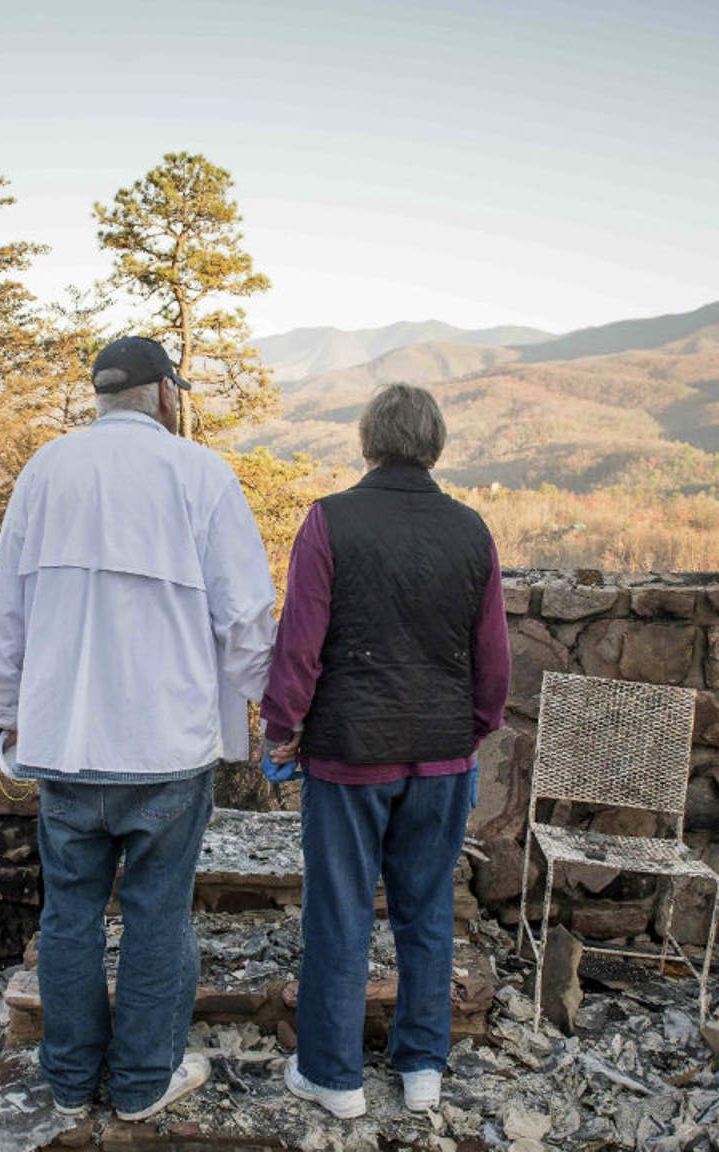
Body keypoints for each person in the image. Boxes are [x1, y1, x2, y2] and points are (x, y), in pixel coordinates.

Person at [0, 335, 277, 1122]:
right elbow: (246, 617)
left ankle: (71, 1082)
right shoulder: (200, 474)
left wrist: (1, 710)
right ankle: (143, 1082)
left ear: (103, 397)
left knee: (69, 915)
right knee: (157, 915)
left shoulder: (46, 470)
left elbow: (2, 613)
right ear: (167, 396)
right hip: (164, 747)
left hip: (66, 745)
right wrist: (276, 708)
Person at [261, 383, 510, 1119]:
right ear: (434, 444)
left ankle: (334, 1077)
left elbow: (300, 644)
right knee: (426, 911)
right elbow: (492, 661)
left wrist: (282, 727)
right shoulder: (473, 532)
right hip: (440, 754)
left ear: (369, 440)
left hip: (348, 754)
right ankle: (422, 1067)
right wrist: (472, 730)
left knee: (339, 911)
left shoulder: (330, 521)